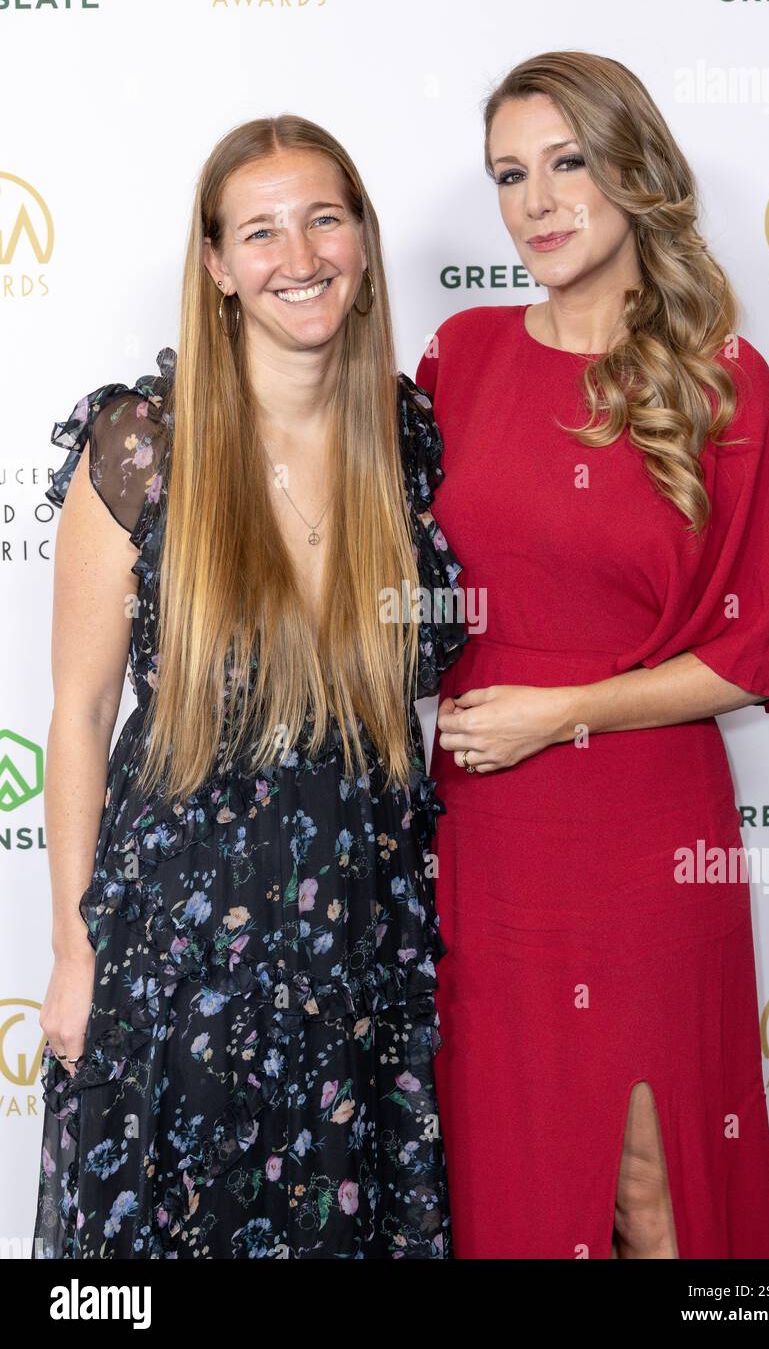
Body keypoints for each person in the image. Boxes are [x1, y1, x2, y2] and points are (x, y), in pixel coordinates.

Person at [414, 51, 769, 1260]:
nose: (535, 202)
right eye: (508, 173)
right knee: (511, 1164)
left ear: (632, 171)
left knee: (649, 1182)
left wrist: (558, 713)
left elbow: (759, 648)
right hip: (484, 836)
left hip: (643, 828)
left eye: (566, 162)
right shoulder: (462, 354)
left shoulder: (719, 382)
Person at [33, 114, 467, 1259]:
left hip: (362, 953)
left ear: (363, 242)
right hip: (177, 962)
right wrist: (76, 957)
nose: (300, 255)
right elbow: (77, 716)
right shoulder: (142, 444)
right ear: (217, 267)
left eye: (325, 218)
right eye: (261, 232)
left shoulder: (410, 438)